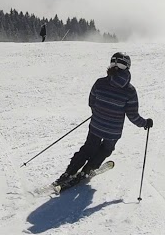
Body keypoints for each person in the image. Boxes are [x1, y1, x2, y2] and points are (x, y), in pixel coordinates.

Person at [54, 52, 152, 189]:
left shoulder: (100, 83)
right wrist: (145, 123)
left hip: (96, 125)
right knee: (105, 150)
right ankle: (87, 170)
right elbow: (133, 116)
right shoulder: (129, 91)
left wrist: (100, 112)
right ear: (128, 67)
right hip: (113, 131)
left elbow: (91, 102)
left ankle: (69, 172)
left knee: (88, 148)